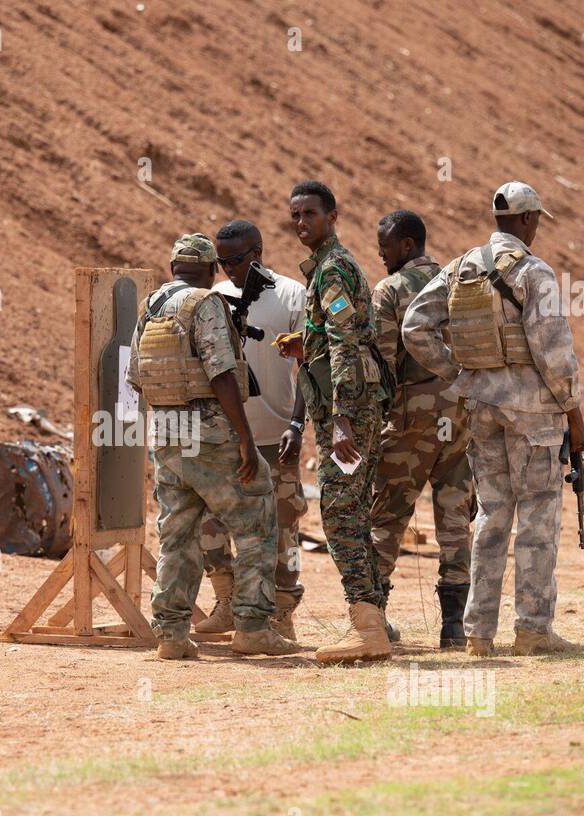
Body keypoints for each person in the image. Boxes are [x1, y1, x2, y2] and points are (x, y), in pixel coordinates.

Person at [402, 181, 584, 657]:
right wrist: (574, 412)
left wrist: (460, 372)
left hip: (481, 408)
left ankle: (479, 632)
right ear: (527, 221)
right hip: (533, 413)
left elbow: (414, 326)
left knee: (490, 516)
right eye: (538, 220)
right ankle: (532, 629)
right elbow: (555, 353)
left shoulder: (463, 267)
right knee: (538, 518)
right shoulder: (534, 272)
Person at [127, 233, 298, 660]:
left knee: (177, 532)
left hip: (166, 433)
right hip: (209, 430)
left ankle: (171, 634)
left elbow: (135, 375)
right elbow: (221, 372)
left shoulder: (151, 307)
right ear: (209, 271)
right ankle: (254, 626)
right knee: (257, 517)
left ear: (172, 269)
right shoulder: (204, 303)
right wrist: (244, 438)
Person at [277, 181, 393, 664]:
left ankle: (367, 626)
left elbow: (347, 343)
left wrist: (342, 419)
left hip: (348, 410)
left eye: (310, 214)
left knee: (341, 512)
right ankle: (373, 622)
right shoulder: (324, 269)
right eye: (295, 215)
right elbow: (337, 338)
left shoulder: (333, 269)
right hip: (347, 405)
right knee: (355, 512)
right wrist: (306, 346)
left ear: (332, 216)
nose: (301, 223)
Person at [192, 219, 309, 642]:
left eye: (237, 260)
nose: (229, 270)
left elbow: (310, 366)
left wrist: (296, 425)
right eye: (221, 262)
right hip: (225, 435)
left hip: (275, 432)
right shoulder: (215, 298)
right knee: (211, 522)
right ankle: (226, 602)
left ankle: (280, 613)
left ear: (258, 251)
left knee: (282, 528)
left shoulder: (292, 294)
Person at [369, 210, 474, 650]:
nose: (380, 253)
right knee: (455, 517)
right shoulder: (459, 283)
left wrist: (375, 421)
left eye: (386, 245)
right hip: (461, 413)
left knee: (387, 516)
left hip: (411, 416)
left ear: (407, 245)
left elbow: (382, 361)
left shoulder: (391, 290)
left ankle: (372, 617)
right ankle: (454, 626)